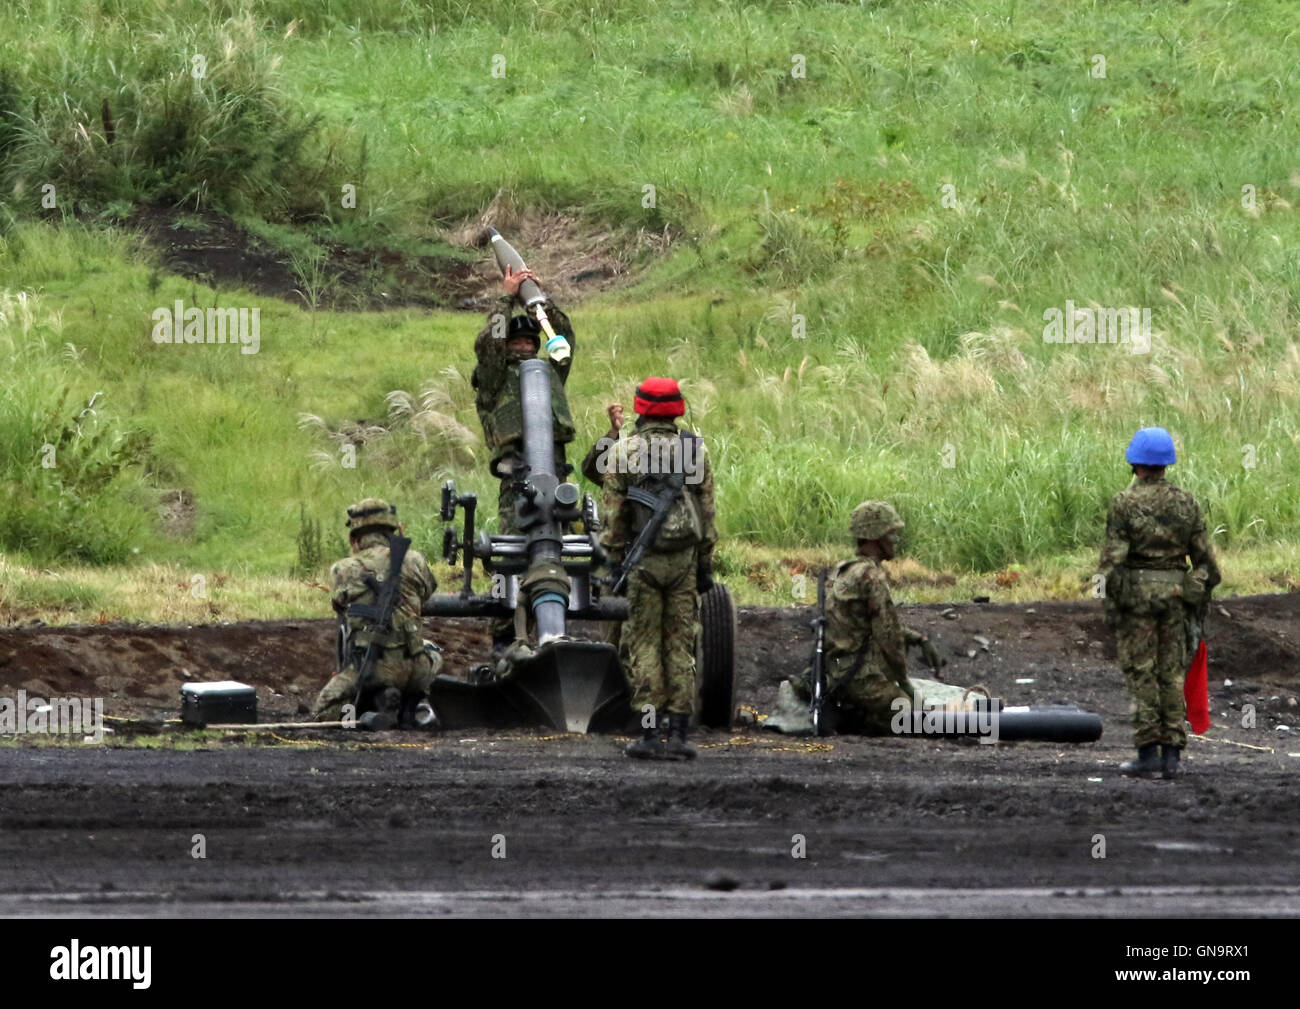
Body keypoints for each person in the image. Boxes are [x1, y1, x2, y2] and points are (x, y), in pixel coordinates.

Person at [602, 378, 716, 760]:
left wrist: (615, 559)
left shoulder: (624, 452)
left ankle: (650, 734)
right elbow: (707, 513)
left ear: (641, 408)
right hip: (684, 559)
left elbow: (614, 516)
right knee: (681, 643)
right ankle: (681, 734)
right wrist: (705, 565)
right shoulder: (694, 450)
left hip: (643, 560)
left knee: (645, 643)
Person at [1098, 427, 1221, 779]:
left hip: (1137, 604)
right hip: (1176, 603)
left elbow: (1111, 563)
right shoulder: (1187, 503)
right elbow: (1208, 567)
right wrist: (1191, 592)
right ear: (1167, 464)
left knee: (1142, 675)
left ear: (1135, 463)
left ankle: (1146, 753)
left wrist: (1112, 607)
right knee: (1171, 674)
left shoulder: (1123, 503)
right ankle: (1172, 756)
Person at [471, 265, 577, 655]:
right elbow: (488, 345)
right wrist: (505, 296)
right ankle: (505, 638)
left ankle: (558, 625)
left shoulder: (549, 374)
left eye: (530, 343)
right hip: (516, 479)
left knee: (560, 550)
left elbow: (563, 339)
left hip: (556, 471)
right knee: (512, 554)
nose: (525, 348)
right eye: (517, 344)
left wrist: (540, 304)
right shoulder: (494, 377)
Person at [808, 500, 943, 735]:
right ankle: (862, 718)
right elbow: (888, 635)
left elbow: (858, 623)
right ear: (875, 536)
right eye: (891, 534)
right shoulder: (871, 577)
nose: (896, 540)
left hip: (834, 673)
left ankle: (859, 715)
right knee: (918, 719)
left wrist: (918, 639)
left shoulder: (843, 571)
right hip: (858, 679)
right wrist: (905, 685)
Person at [312, 498, 442, 730]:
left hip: (370, 670)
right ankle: (414, 703)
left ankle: (374, 705)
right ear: (396, 530)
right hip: (414, 670)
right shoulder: (415, 560)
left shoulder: (343, 569)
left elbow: (339, 606)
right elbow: (427, 592)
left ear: (354, 538)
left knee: (322, 713)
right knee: (433, 651)